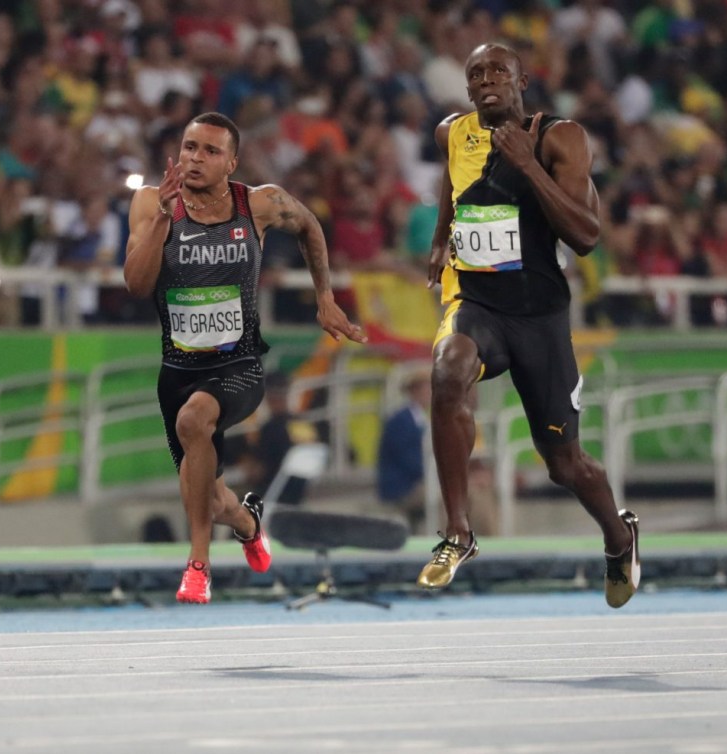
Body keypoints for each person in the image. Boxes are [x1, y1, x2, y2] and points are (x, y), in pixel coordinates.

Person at [419, 43, 640, 608]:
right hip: (477, 304)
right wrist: (441, 237)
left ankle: (618, 537)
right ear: (467, 89)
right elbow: (453, 181)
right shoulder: (452, 133)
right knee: (447, 371)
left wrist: (526, 164)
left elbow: (585, 236)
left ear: (522, 80)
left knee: (564, 464)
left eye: (498, 70)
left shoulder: (560, 139)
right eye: (475, 73)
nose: (486, 79)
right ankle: (458, 532)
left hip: (539, 317)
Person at [123, 111, 366, 604]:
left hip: (239, 368)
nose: (195, 158)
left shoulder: (257, 204)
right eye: (189, 147)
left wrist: (324, 297)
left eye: (210, 151)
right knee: (213, 501)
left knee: (194, 420)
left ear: (231, 163)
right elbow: (136, 284)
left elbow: (310, 226)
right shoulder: (151, 202)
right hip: (178, 374)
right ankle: (248, 523)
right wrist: (163, 221)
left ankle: (198, 565)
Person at [232, 369, 317, 506]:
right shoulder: (303, 424)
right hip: (300, 495)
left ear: (268, 397)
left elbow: (258, 472)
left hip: (273, 496)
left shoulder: (270, 428)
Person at [376, 369, 433, 531]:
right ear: (414, 391)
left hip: (418, 481)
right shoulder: (400, 420)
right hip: (402, 487)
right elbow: (409, 460)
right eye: (427, 388)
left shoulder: (422, 419)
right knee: (447, 496)